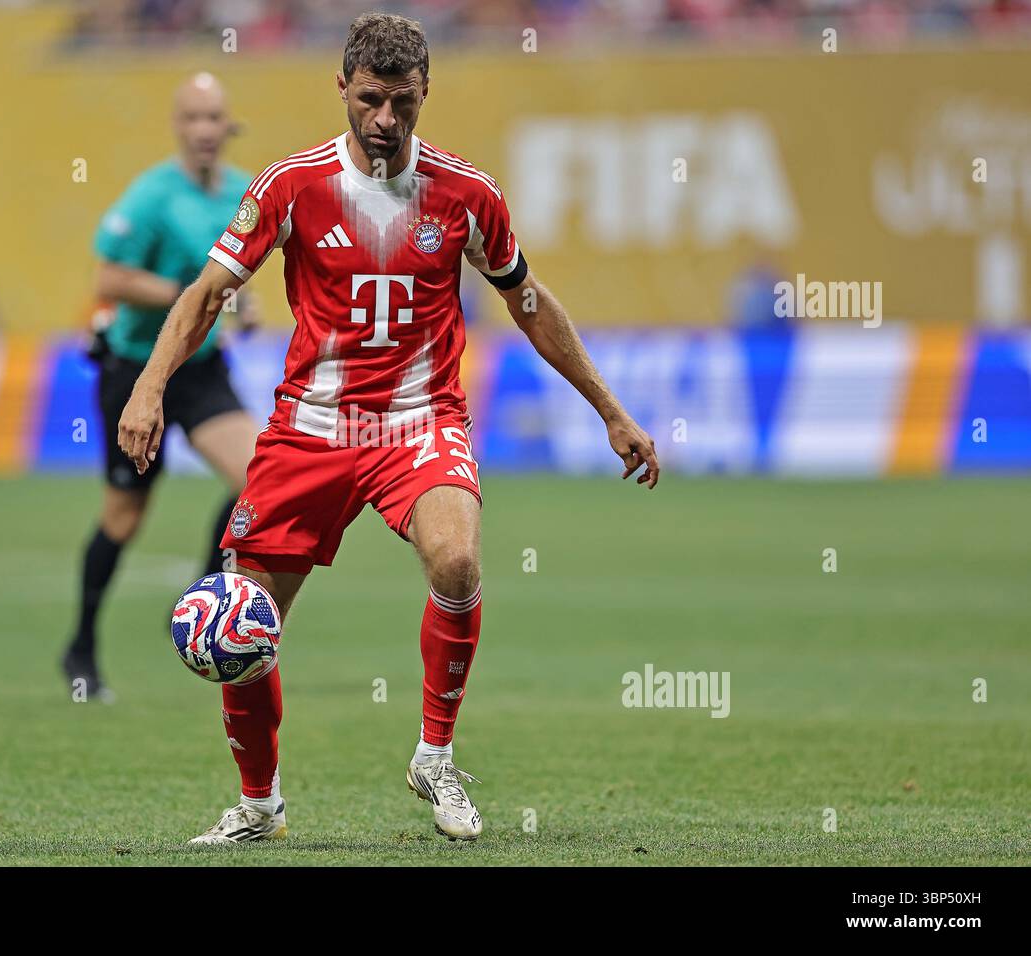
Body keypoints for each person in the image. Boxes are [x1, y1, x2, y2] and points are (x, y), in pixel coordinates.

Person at [118, 13, 659, 841]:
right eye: (369, 100)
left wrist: (611, 411)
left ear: (424, 93)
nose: (383, 120)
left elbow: (530, 304)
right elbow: (204, 294)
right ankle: (259, 806)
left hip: (419, 421)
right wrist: (150, 388)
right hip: (311, 427)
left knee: (458, 557)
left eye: (401, 102)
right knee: (245, 617)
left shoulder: (469, 195)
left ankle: (435, 760)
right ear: (341, 88)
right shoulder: (291, 186)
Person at [63, 72, 260, 701]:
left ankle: (204, 602)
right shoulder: (151, 196)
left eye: (214, 118)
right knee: (124, 517)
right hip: (135, 371)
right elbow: (110, 277)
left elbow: (235, 270)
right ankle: (81, 647)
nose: (204, 130)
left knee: (261, 480)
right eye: (192, 118)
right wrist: (189, 299)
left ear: (229, 126)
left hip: (200, 370)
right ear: (178, 125)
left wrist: (242, 304)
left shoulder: (240, 192)